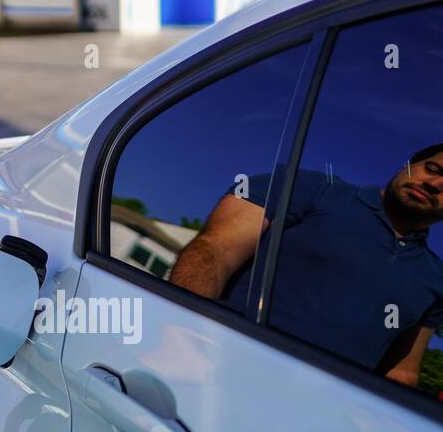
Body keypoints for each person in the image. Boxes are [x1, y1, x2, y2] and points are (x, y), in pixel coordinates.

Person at [169, 142, 443, 388]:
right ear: (407, 165)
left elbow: (402, 371)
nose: (434, 184)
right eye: (431, 168)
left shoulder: (435, 277)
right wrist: (182, 338)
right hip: (211, 376)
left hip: (315, 426)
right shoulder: (311, 189)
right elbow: (216, 249)